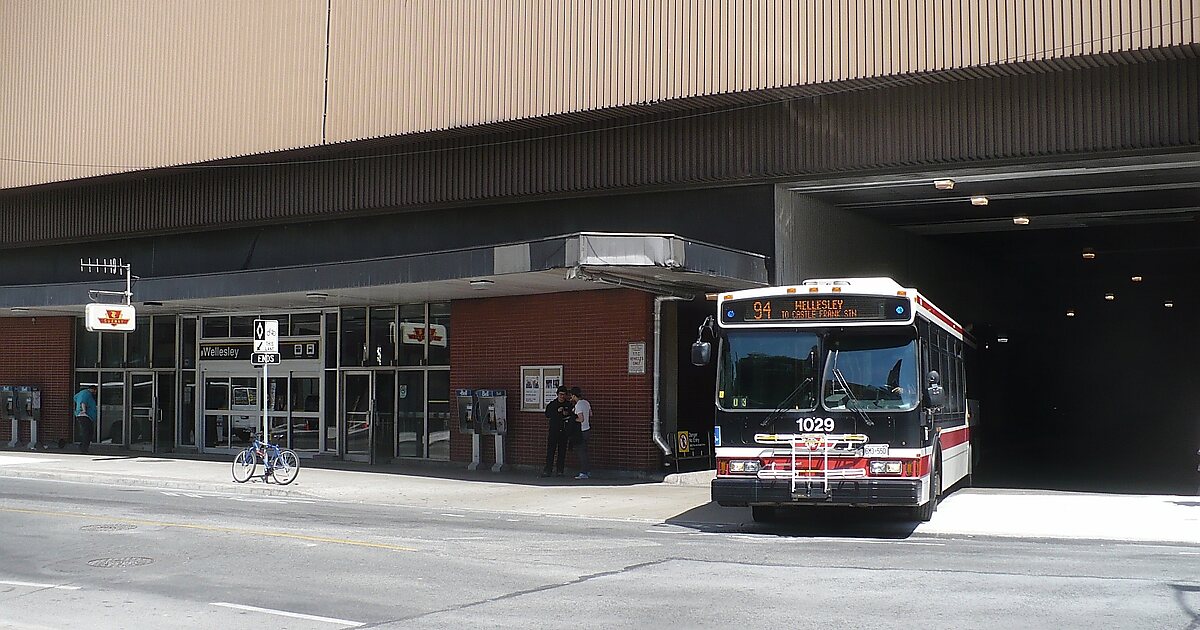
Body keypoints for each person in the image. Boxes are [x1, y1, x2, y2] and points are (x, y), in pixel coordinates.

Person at [541, 386, 573, 477]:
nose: (562, 396)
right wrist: (557, 411)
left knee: (562, 451)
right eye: (560, 394)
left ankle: (560, 470)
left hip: (564, 431)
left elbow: (572, 415)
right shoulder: (552, 404)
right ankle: (548, 470)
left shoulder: (569, 404)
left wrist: (567, 413)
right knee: (551, 451)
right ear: (557, 394)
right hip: (554, 430)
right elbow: (547, 414)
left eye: (564, 395)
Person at [568, 387, 591, 479]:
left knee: (581, 452)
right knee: (585, 451)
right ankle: (587, 470)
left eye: (571, 396)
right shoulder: (586, 403)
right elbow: (590, 414)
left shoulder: (578, 405)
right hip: (587, 429)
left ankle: (584, 472)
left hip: (580, 431)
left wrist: (572, 420)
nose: (571, 397)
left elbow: (581, 419)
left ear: (574, 396)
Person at [73, 384, 98, 454]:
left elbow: (75, 398)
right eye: (95, 391)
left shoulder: (81, 393)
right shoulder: (87, 394)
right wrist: (84, 410)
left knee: (87, 432)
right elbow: (83, 402)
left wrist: (78, 407)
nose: (95, 393)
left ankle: (83, 446)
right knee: (88, 432)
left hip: (81, 415)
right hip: (85, 415)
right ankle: (84, 448)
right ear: (93, 389)